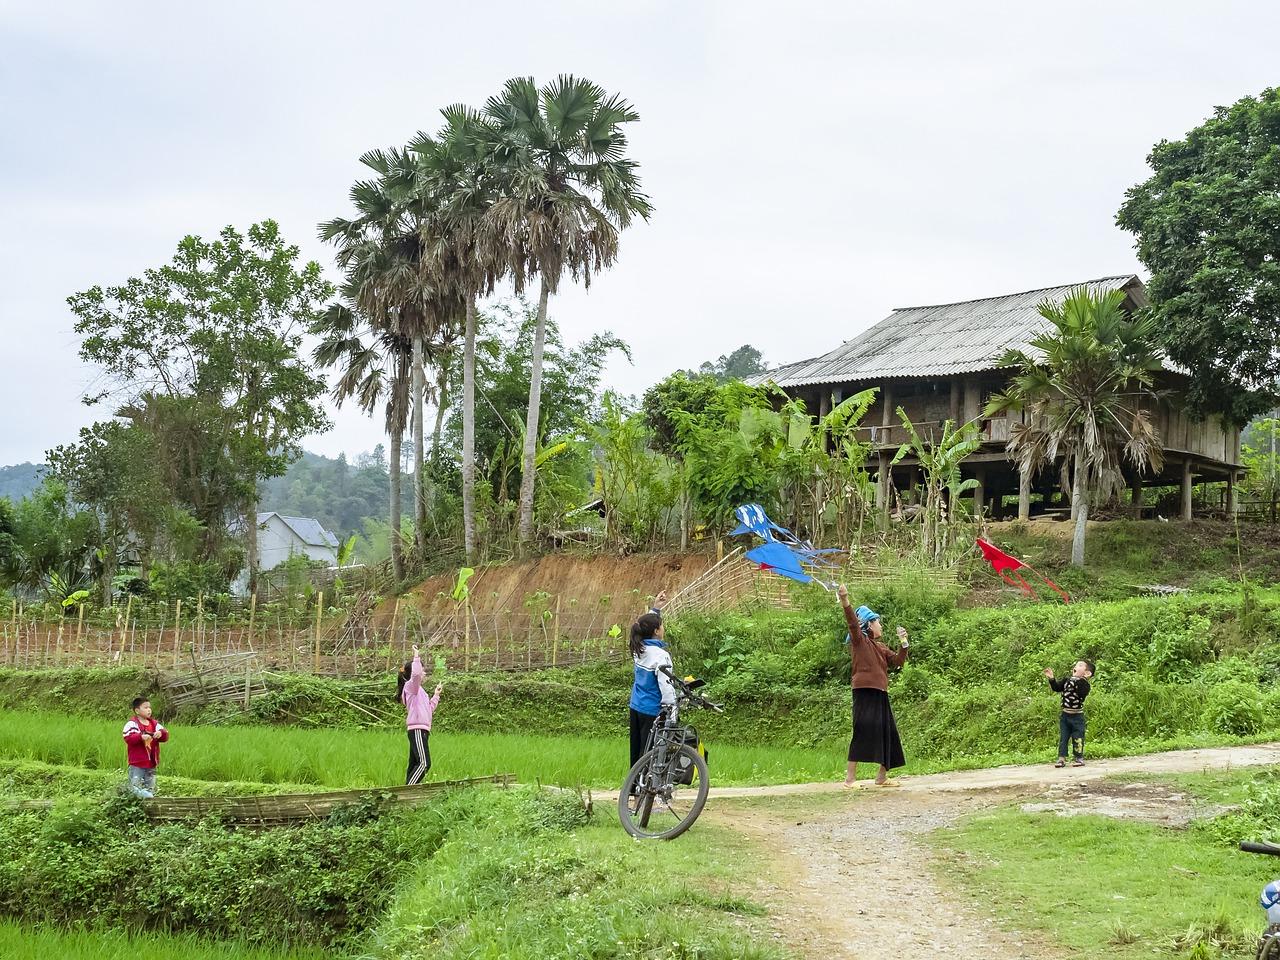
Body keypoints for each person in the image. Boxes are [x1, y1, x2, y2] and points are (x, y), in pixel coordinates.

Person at [838, 585, 909, 787]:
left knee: (887, 731)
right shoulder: (859, 641)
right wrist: (845, 600)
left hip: (880, 692)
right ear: (869, 624)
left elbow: (897, 662)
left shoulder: (880, 647)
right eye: (878, 622)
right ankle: (850, 779)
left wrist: (904, 643)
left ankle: (881, 777)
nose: (881, 626)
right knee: (862, 730)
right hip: (864, 691)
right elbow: (852, 623)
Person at [628, 590, 674, 771]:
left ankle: (633, 788)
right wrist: (671, 708)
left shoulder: (638, 648)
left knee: (637, 749)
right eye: (661, 626)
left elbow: (644, 626)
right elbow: (666, 684)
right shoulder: (660, 656)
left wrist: (656, 609)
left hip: (636, 705)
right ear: (656, 631)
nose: (663, 628)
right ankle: (646, 790)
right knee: (650, 751)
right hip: (652, 710)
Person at [396, 644, 443, 785]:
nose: (424, 673)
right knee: (424, 763)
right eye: (422, 670)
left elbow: (428, 709)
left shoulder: (419, 691)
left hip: (421, 729)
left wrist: (435, 695)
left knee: (414, 764)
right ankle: (409, 790)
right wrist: (416, 656)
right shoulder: (411, 687)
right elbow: (415, 675)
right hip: (417, 729)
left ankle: (406, 792)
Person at [1044, 659, 1094, 768]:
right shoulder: (1067, 680)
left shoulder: (1085, 684)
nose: (1076, 666)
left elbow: (1082, 693)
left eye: (1080, 665)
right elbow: (1057, 688)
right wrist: (1052, 679)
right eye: (1076, 665)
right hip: (1065, 716)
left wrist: (1082, 679)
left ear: (1087, 673)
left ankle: (1079, 758)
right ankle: (1061, 759)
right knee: (1064, 738)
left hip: (1077, 716)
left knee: (1078, 737)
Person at [122, 697, 168, 799]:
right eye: (145, 707)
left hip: (151, 762)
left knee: (150, 786)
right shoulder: (132, 724)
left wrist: (160, 734)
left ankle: (148, 803)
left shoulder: (154, 724)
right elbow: (128, 737)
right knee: (135, 787)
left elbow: (165, 735)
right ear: (137, 710)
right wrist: (140, 737)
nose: (149, 710)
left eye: (149, 707)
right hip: (137, 763)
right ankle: (140, 803)